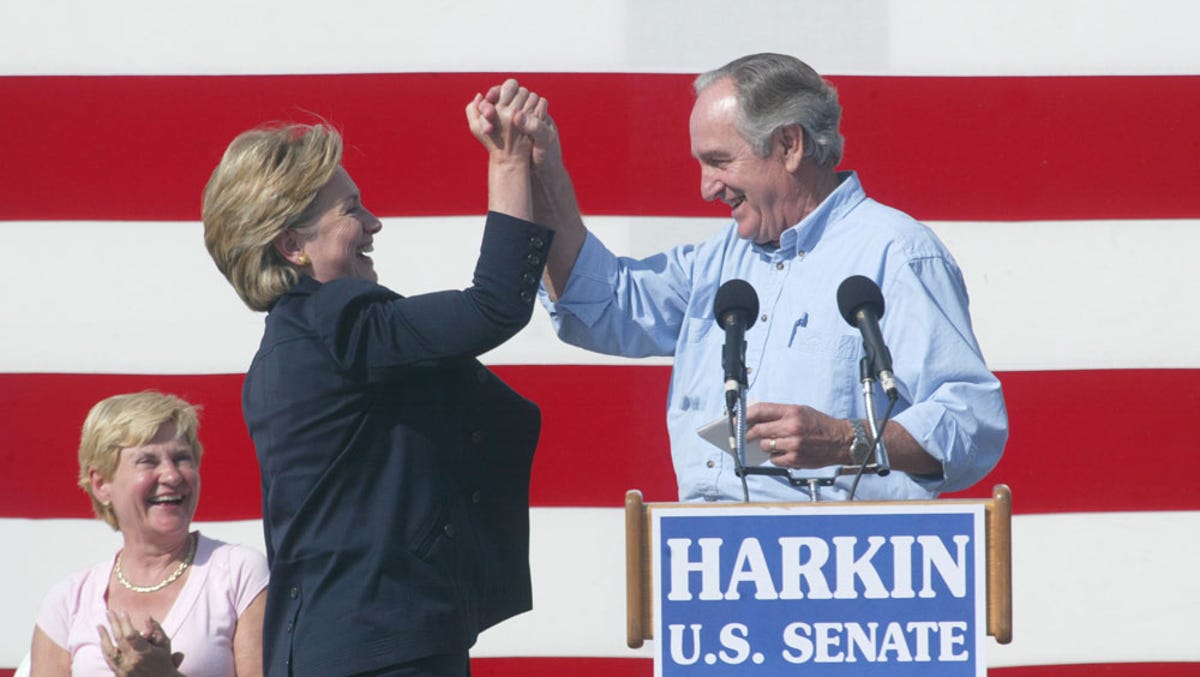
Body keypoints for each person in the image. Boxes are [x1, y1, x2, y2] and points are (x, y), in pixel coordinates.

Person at [496, 53, 1008, 502]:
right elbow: (599, 304)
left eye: (719, 161)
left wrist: (843, 439)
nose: (706, 188)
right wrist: (542, 170)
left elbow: (973, 422)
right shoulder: (720, 260)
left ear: (788, 144)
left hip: (838, 563)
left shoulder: (896, 254)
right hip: (707, 557)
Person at [200, 80, 553, 676]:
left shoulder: (282, 351)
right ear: (292, 245)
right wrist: (510, 161)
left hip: (326, 649)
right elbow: (494, 305)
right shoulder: (335, 322)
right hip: (386, 649)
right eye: (350, 210)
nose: (374, 222)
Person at [29, 391, 269, 676]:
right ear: (101, 484)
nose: (172, 475)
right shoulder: (68, 601)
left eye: (182, 458)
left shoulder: (239, 574)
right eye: (148, 461)